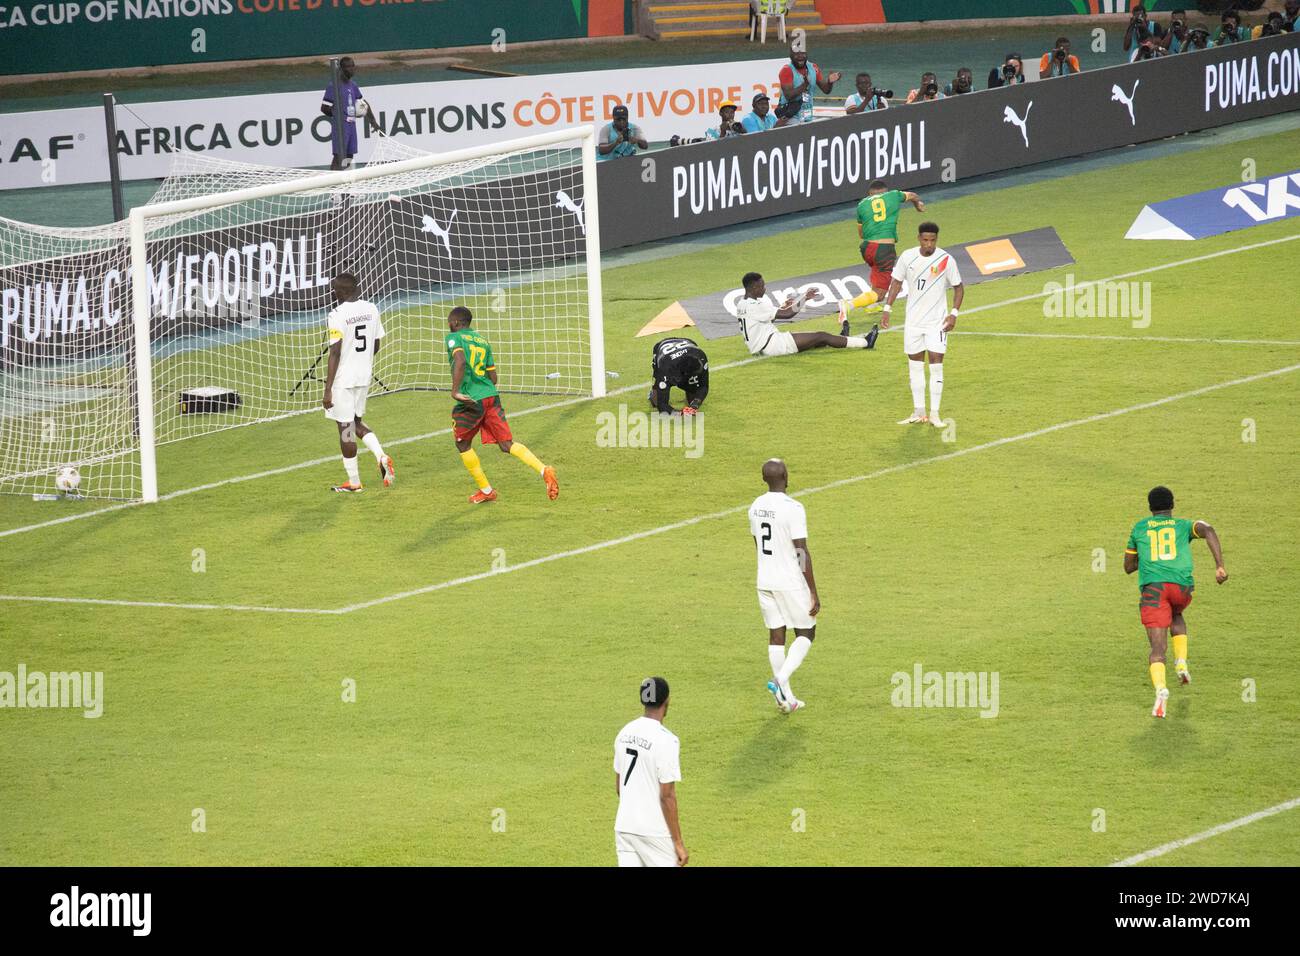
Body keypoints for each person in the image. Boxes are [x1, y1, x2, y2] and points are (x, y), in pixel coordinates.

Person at [1123, 486, 1228, 719]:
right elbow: (1208, 529)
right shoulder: (1183, 525)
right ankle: (1181, 663)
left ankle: (1161, 692)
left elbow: (1128, 567)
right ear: (1172, 505)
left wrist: (1149, 556)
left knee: (1157, 649)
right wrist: (1219, 565)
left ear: (1150, 507)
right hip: (1182, 588)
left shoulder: (1139, 528)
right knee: (1176, 614)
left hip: (1154, 590)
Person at [445, 306, 559, 504]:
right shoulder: (483, 341)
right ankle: (544, 470)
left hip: (471, 400)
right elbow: (494, 377)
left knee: (462, 443)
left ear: (455, 323)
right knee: (507, 444)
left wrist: (455, 390)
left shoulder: (454, 338)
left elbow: (460, 360)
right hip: (491, 396)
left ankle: (487, 490)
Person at [749, 458, 818, 714]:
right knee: (806, 633)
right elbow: (801, 551)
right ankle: (780, 681)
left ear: (764, 479)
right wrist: (812, 590)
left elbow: (758, 543)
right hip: (789, 581)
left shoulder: (755, 506)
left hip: (764, 579)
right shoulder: (793, 508)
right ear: (786, 476)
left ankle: (786, 699)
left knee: (776, 635)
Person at [880, 222, 964, 427]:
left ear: (936, 239)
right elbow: (896, 283)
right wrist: (887, 309)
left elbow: (959, 287)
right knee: (915, 367)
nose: (929, 244)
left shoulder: (945, 259)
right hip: (914, 323)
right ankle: (919, 412)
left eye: (933, 240)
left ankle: (935, 414)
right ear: (919, 238)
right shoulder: (907, 257)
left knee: (936, 366)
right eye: (925, 240)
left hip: (938, 322)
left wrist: (953, 314)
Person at [322, 274, 393, 493]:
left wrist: (327, 390)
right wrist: (362, 361)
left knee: (345, 429)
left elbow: (334, 352)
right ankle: (381, 455)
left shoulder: (337, 314)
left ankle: (354, 482)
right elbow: (377, 342)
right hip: (364, 375)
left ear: (340, 292)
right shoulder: (372, 308)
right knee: (356, 421)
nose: (333, 293)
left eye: (334, 290)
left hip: (343, 380)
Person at [613, 677, 687, 867]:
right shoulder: (667, 740)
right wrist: (678, 842)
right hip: (654, 831)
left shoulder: (624, 733)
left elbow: (620, 787)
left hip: (625, 826)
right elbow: (667, 796)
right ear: (666, 701)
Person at [836, 179, 925, 325]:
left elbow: (861, 234)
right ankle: (848, 305)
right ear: (885, 190)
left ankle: (871, 306)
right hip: (884, 249)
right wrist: (918, 205)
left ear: (869, 194)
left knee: (876, 270)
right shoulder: (893, 195)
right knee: (880, 294)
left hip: (866, 247)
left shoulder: (862, 204)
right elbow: (913, 195)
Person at [736, 272, 877, 358]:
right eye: (762, 286)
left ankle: (841, 338)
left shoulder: (743, 304)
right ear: (754, 287)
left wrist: (783, 307)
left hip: (766, 345)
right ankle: (865, 342)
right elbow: (788, 314)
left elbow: (766, 318)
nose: (764, 288)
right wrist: (805, 297)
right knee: (822, 336)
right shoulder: (754, 306)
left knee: (818, 339)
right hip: (774, 345)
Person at [320, 57, 374, 171]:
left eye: (352, 66)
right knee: (339, 157)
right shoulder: (333, 86)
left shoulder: (353, 85)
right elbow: (324, 108)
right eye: (348, 67)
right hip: (341, 127)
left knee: (349, 156)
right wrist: (338, 116)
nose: (351, 69)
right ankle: (332, 184)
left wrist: (373, 122)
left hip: (351, 126)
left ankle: (346, 182)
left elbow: (363, 104)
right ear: (341, 69)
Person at [777, 42, 841, 125]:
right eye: (796, 53)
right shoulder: (786, 70)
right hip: (789, 117)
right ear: (791, 56)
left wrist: (829, 82)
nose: (800, 56)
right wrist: (805, 85)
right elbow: (789, 96)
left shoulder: (813, 67)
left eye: (802, 53)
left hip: (807, 115)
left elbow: (826, 90)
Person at [647, 337, 709, 415]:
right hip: (662, 349)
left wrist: (695, 405)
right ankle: (652, 393)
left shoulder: (701, 356)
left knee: (692, 398)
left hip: (687, 343)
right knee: (655, 401)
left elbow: (704, 386)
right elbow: (662, 406)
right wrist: (680, 414)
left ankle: (689, 390)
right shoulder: (665, 367)